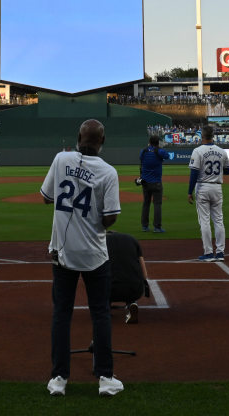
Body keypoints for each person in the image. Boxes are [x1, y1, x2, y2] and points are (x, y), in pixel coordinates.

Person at [40, 119, 123, 398]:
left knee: (61, 314)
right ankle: (105, 378)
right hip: (95, 254)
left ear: (78, 137)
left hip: (62, 251)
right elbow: (110, 218)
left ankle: (59, 378)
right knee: (100, 314)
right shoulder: (109, 172)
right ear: (103, 141)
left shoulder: (61, 158)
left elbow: (45, 197)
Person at [188, 124, 229, 261]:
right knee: (219, 220)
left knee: (205, 221)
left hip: (203, 187)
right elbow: (228, 171)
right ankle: (220, 253)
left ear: (202, 136)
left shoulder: (197, 151)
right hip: (217, 187)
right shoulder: (222, 151)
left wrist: (189, 192)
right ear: (213, 136)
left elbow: (194, 173)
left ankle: (208, 253)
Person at [105, 230, 150, 324]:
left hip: (109, 289)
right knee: (131, 283)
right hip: (134, 290)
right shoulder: (132, 239)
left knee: (100, 283)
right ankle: (131, 304)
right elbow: (145, 275)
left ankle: (106, 308)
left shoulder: (100, 241)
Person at [137, 136, 169, 233]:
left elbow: (140, 158)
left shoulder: (144, 151)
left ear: (149, 142)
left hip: (145, 182)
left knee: (146, 204)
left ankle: (144, 226)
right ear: (158, 142)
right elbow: (167, 156)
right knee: (157, 205)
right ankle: (157, 227)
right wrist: (160, 148)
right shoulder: (159, 151)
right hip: (156, 182)